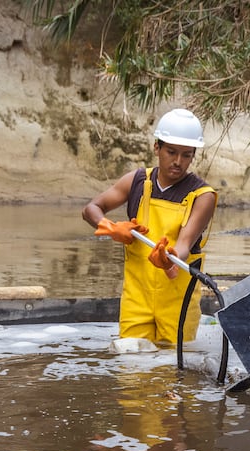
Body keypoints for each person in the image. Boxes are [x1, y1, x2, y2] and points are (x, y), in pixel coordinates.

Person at [83, 108, 218, 346]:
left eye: (186, 155)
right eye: (171, 152)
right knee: (131, 369)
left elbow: (184, 244)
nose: (178, 162)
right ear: (157, 148)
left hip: (177, 302)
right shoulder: (136, 181)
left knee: (174, 372)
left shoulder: (202, 195)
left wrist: (170, 259)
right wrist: (110, 227)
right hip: (137, 298)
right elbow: (92, 208)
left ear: (194, 155)